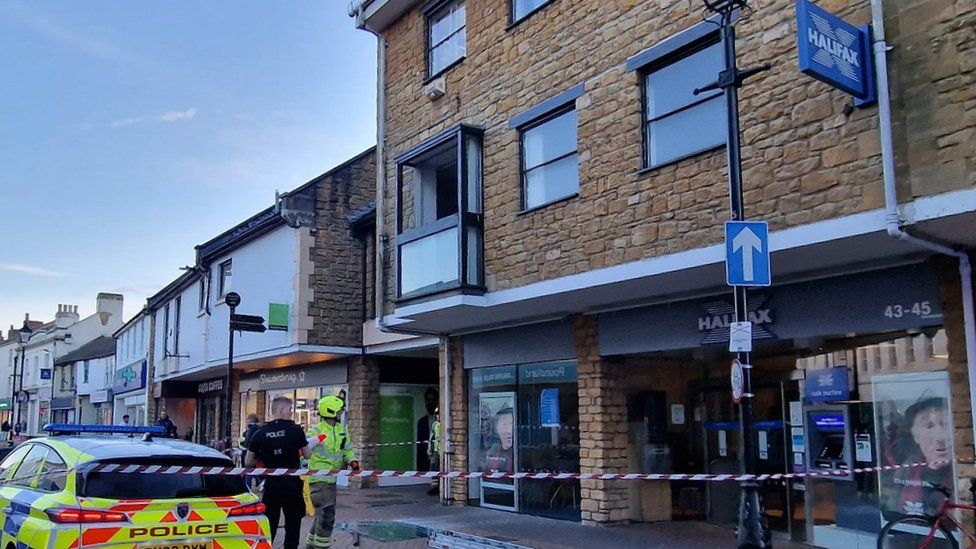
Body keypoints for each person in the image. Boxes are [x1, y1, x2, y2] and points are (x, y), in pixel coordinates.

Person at [246, 397, 310, 549]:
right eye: (290, 410)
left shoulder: (260, 433)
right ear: (281, 410)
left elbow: (248, 462)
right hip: (292, 485)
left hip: (272, 485)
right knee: (293, 525)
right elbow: (308, 455)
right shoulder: (296, 430)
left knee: (270, 524)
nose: (291, 413)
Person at [884, 396, 954, 518]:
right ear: (915, 435)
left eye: (945, 424)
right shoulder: (906, 470)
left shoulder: (962, 471)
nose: (940, 438)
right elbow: (892, 508)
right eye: (929, 426)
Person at [306, 395, 359, 549]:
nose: (341, 414)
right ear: (331, 411)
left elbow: (347, 449)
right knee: (327, 515)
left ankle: (311, 545)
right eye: (339, 411)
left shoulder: (341, 429)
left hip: (332, 479)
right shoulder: (315, 431)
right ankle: (321, 546)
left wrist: (352, 461)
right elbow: (305, 450)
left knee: (322, 514)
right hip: (319, 478)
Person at [483, 406, 514, 473]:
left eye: (511, 424)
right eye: (504, 425)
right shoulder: (493, 451)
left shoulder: (520, 453)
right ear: (497, 429)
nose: (509, 431)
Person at [417, 388, 438, 471]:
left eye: (433, 400)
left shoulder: (441, 421)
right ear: (425, 402)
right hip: (425, 460)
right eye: (429, 400)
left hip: (437, 457)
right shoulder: (421, 422)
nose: (431, 402)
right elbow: (420, 446)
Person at [427, 406, 441, 496]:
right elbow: (431, 438)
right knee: (433, 467)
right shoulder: (435, 424)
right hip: (436, 450)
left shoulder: (446, 423)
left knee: (442, 469)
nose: (438, 416)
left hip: (442, 451)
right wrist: (429, 450)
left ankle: (441, 487)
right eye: (437, 414)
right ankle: (434, 487)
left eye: (439, 414)